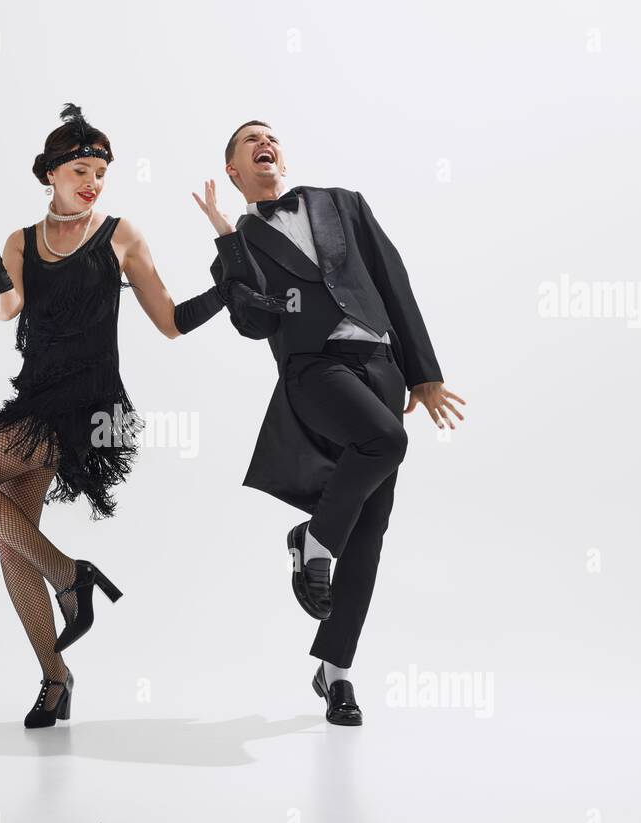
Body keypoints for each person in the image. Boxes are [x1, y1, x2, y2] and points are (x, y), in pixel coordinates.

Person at [0, 104, 228, 729]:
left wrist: (230, 286)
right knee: (12, 543)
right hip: (37, 403)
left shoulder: (122, 235)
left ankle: (71, 575)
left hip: (94, 407)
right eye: (81, 170)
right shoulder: (21, 241)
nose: (92, 181)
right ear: (51, 174)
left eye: (100, 171)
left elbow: (171, 323)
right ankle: (56, 679)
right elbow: (4, 309)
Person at [193, 120, 467, 726]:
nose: (266, 143)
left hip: (380, 366)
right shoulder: (241, 241)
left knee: (370, 528)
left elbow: (394, 281)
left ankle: (335, 671)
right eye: (249, 142)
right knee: (387, 440)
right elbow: (253, 324)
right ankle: (314, 538)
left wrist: (423, 372)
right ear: (234, 171)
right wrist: (228, 240)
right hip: (313, 370)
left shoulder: (343, 204)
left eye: (271, 137)